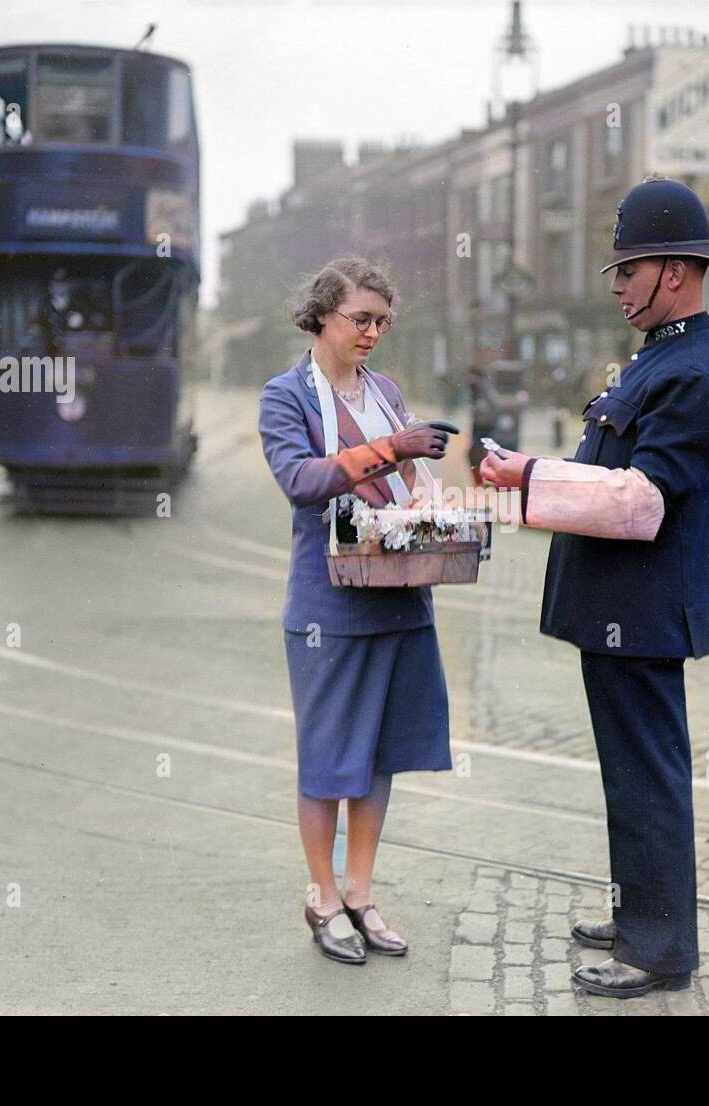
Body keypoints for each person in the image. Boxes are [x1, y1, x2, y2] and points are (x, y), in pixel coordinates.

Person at [481, 177, 709, 999]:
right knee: (628, 771)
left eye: (628, 269)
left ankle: (658, 949)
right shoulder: (663, 356)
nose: (617, 283)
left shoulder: (691, 373)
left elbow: (645, 500)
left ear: (674, 270)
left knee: (646, 776)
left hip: (644, 611)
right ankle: (639, 911)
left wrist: (529, 476)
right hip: (619, 611)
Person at [257, 256, 456, 966]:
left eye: (383, 322)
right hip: (327, 605)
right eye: (361, 319)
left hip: (400, 594)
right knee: (328, 756)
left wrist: (435, 497)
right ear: (322, 316)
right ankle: (321, 896)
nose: (373, 333)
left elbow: (411, 482)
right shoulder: (287, 397)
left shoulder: (387, 391)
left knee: (378, 755)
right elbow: (301, 481)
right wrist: (388, 448)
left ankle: (361, 893)